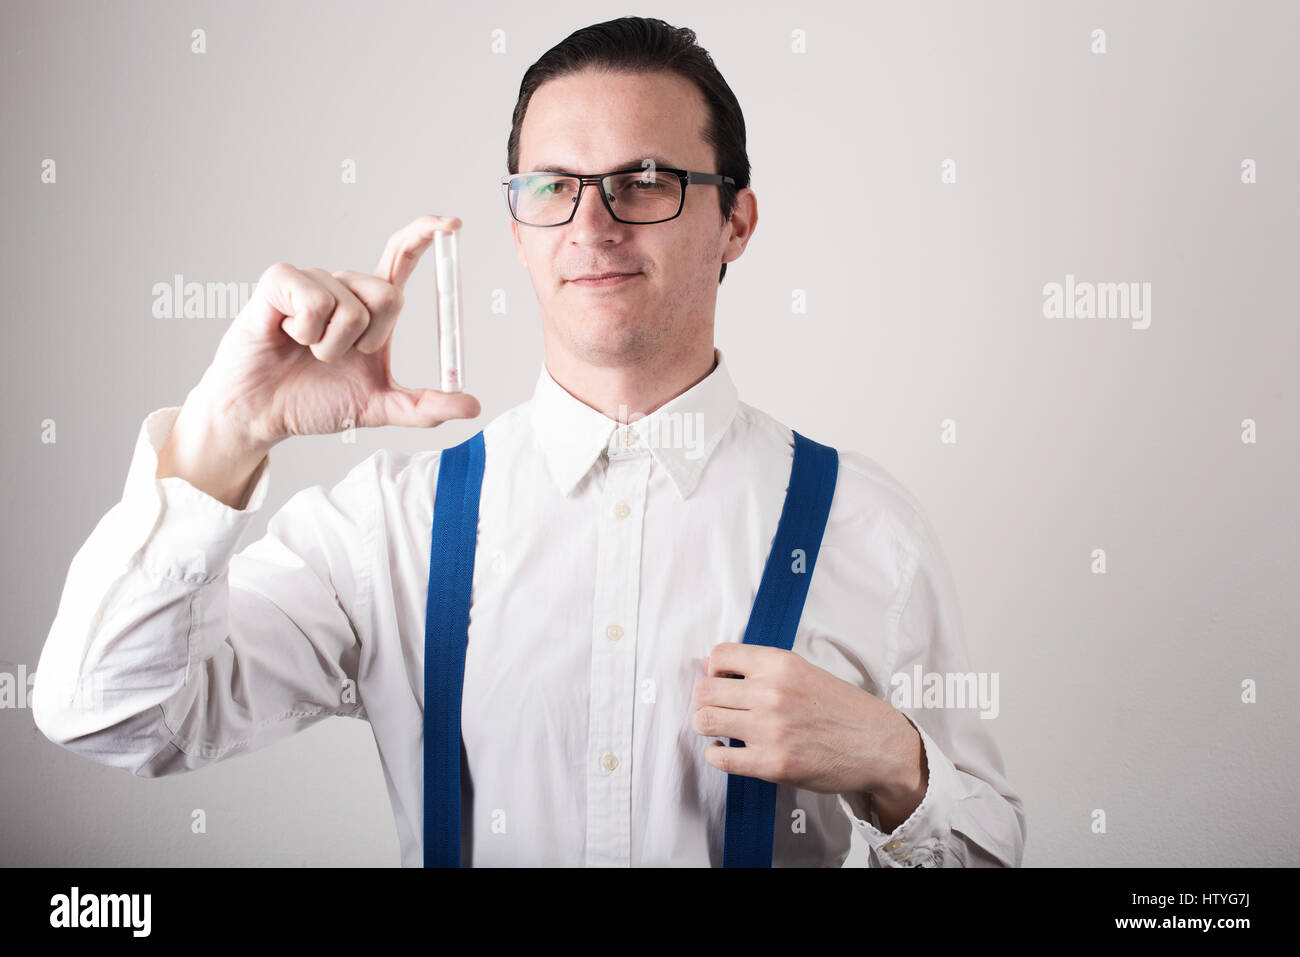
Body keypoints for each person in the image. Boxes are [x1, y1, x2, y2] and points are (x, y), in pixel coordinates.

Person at [33, 16, 1025, 867]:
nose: (591, 225)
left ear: (735, 221)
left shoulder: (866, 529)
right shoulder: (392, 529)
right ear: (517, 227)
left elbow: (989, 849)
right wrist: (231, 426)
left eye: (644, 180)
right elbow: (109, 714)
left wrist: (898, 767)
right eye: (552, 186)